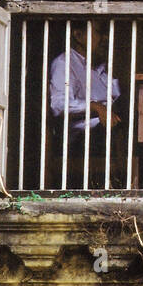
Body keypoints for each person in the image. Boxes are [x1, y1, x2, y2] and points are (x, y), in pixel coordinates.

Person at [48, 23, 123, 188]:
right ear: (78, 35)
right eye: (100, 32)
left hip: (107, 129)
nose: (106, 38)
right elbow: (59, 105)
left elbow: (115, 98)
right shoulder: (65, 63)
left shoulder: (99, 66)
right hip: (80, 136)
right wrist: (95, 107)